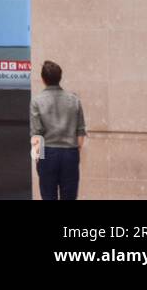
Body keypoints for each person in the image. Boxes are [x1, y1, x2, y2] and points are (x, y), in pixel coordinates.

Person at [29, 59, 87, 200]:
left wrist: (38, 158)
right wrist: (73, 151)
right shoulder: (74, 100)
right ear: (60, 78)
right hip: (70, 153)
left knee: (48, 195)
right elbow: (80, 131)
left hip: (47, 153)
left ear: (43, 79)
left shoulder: (37, 101)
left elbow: (37, 133)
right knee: (69, 196)